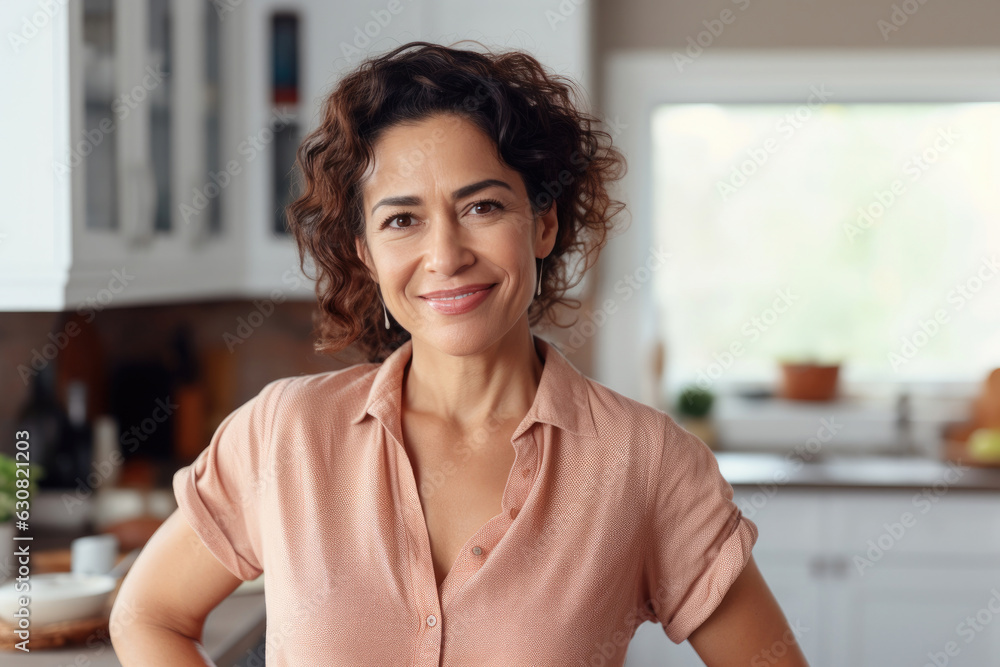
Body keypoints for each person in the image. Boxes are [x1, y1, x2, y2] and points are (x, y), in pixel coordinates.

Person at [111, 41, 808, 666]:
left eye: (483, 207)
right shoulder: (283, 434)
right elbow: (148, 615)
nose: (445, 255)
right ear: (367, 252)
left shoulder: (645, 462)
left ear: (543, 224)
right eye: (402, 220)